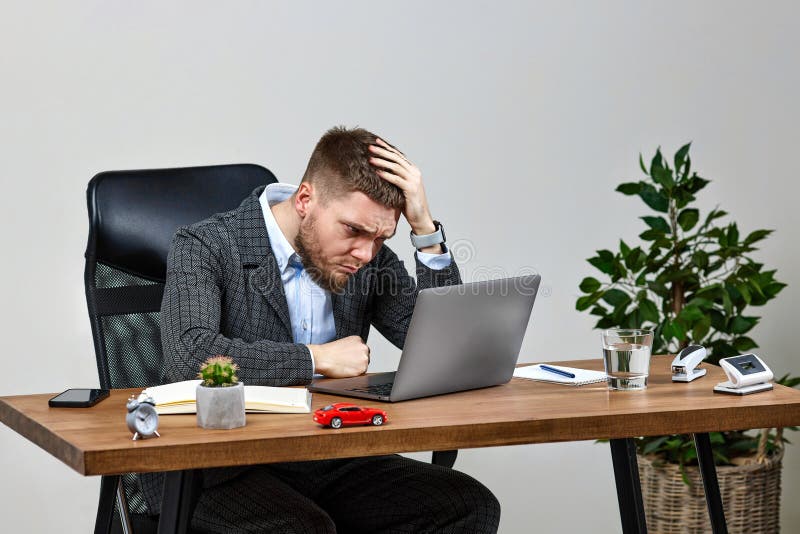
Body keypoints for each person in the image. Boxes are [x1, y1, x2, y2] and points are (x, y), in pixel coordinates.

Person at [146, 126, 501, 533]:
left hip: (329, 453)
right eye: (352, 230)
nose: (365, 253)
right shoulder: (205, 245)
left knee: (469, 506)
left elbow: (451, 353)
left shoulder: (369, 258)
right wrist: (315, 358)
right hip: (218, 468)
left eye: (381, 237)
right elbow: (190, 354)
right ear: (304, 200)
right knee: (304, 529)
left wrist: (424, 230)